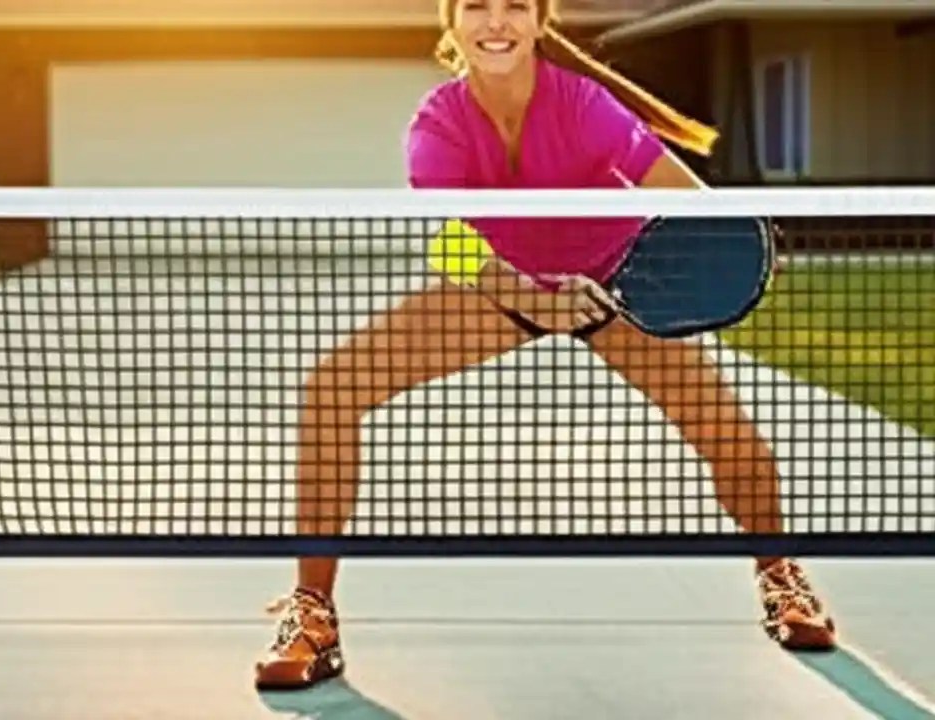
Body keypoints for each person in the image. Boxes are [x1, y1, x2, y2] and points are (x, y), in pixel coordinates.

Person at [253, 0, 837, 691]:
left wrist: (727, 249)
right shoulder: (438, 122)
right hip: (507, 288)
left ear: (538, 23)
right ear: (451, 23)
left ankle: (780, 574)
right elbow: (449, 240)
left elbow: (684, 198)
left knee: (724, 432)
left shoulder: (585, 105)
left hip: (615, 279)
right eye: (477, 6)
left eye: (514, 7)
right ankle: (312, 611)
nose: (495, 22)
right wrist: (532, 297)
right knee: (333, 388)